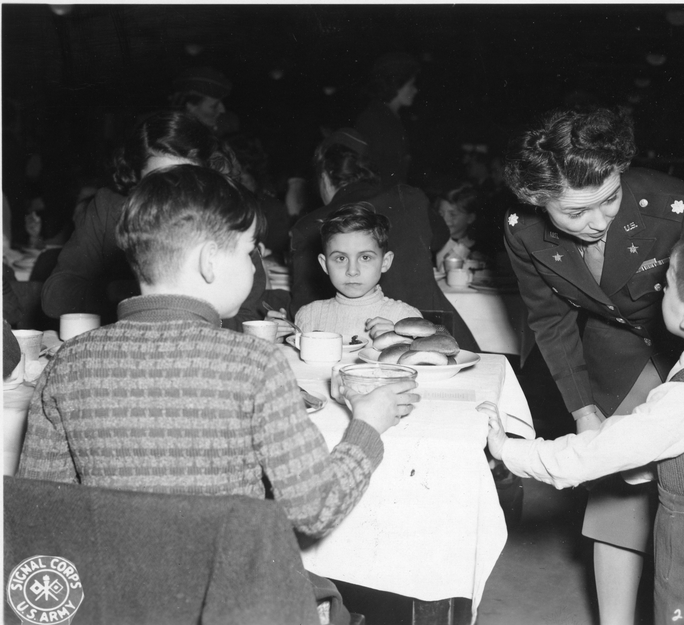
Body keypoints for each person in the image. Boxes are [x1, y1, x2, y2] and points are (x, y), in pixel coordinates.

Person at [17, 165, 420, 625]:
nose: (254, 265)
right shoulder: (255, 363)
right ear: (210, 261)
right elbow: (316, 509)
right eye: (250, 252)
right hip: (232, 606)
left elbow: (41, 521)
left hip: (114, 606)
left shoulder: (67, 364)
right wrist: (367, 425)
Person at [502, 106, 684, 625]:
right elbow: (550, 321)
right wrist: (583, 411)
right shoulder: (523, 231)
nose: (599, 222)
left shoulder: (676, 205)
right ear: (536, 200)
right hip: (615, 350)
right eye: (576, 213)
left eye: (610, 199)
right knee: (615, 498)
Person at [485, 227, 684, 625]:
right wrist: (642, 465)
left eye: (668, 284)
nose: (661, 289)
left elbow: (588, 456)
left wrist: (509, 449)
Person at [41, 111, 266, 331]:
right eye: (158, 182)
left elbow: (249, 317)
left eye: (187, 180)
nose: (171, 196)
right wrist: (131, 292)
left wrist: (183, 313)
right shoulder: (110, 208)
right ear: (136, 176)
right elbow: (54, 296)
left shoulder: (226, 216)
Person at [289, 127, 480, 353]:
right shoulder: (409, 197)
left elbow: (301, 308)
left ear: (324, 177)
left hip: (413, 338)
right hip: (440, 333)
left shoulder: (308, 226)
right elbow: (441, 238)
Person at [295, 202, 422, 341]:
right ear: (324, 265)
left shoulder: (405, 318)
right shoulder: (309, 316)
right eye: (341, 258)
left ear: (385, 262)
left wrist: (399, 342)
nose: (352, 271)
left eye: (365, 257)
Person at [354, 52, 420, 188]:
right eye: (411, 85)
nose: (415, 90)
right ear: (396, 85)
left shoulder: (390, 117)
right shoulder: (375, 120)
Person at [434, 182, 491, 271]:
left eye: (452, 215)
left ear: (470, 218)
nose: (444, 220)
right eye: (441, 214)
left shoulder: (480, 247)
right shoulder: (433, 243)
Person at [170, 66, 231, 133]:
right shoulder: (175, 134)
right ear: (190, 106)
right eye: (214, 106)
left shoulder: (229, 124)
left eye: (221, 102)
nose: (223, 110)